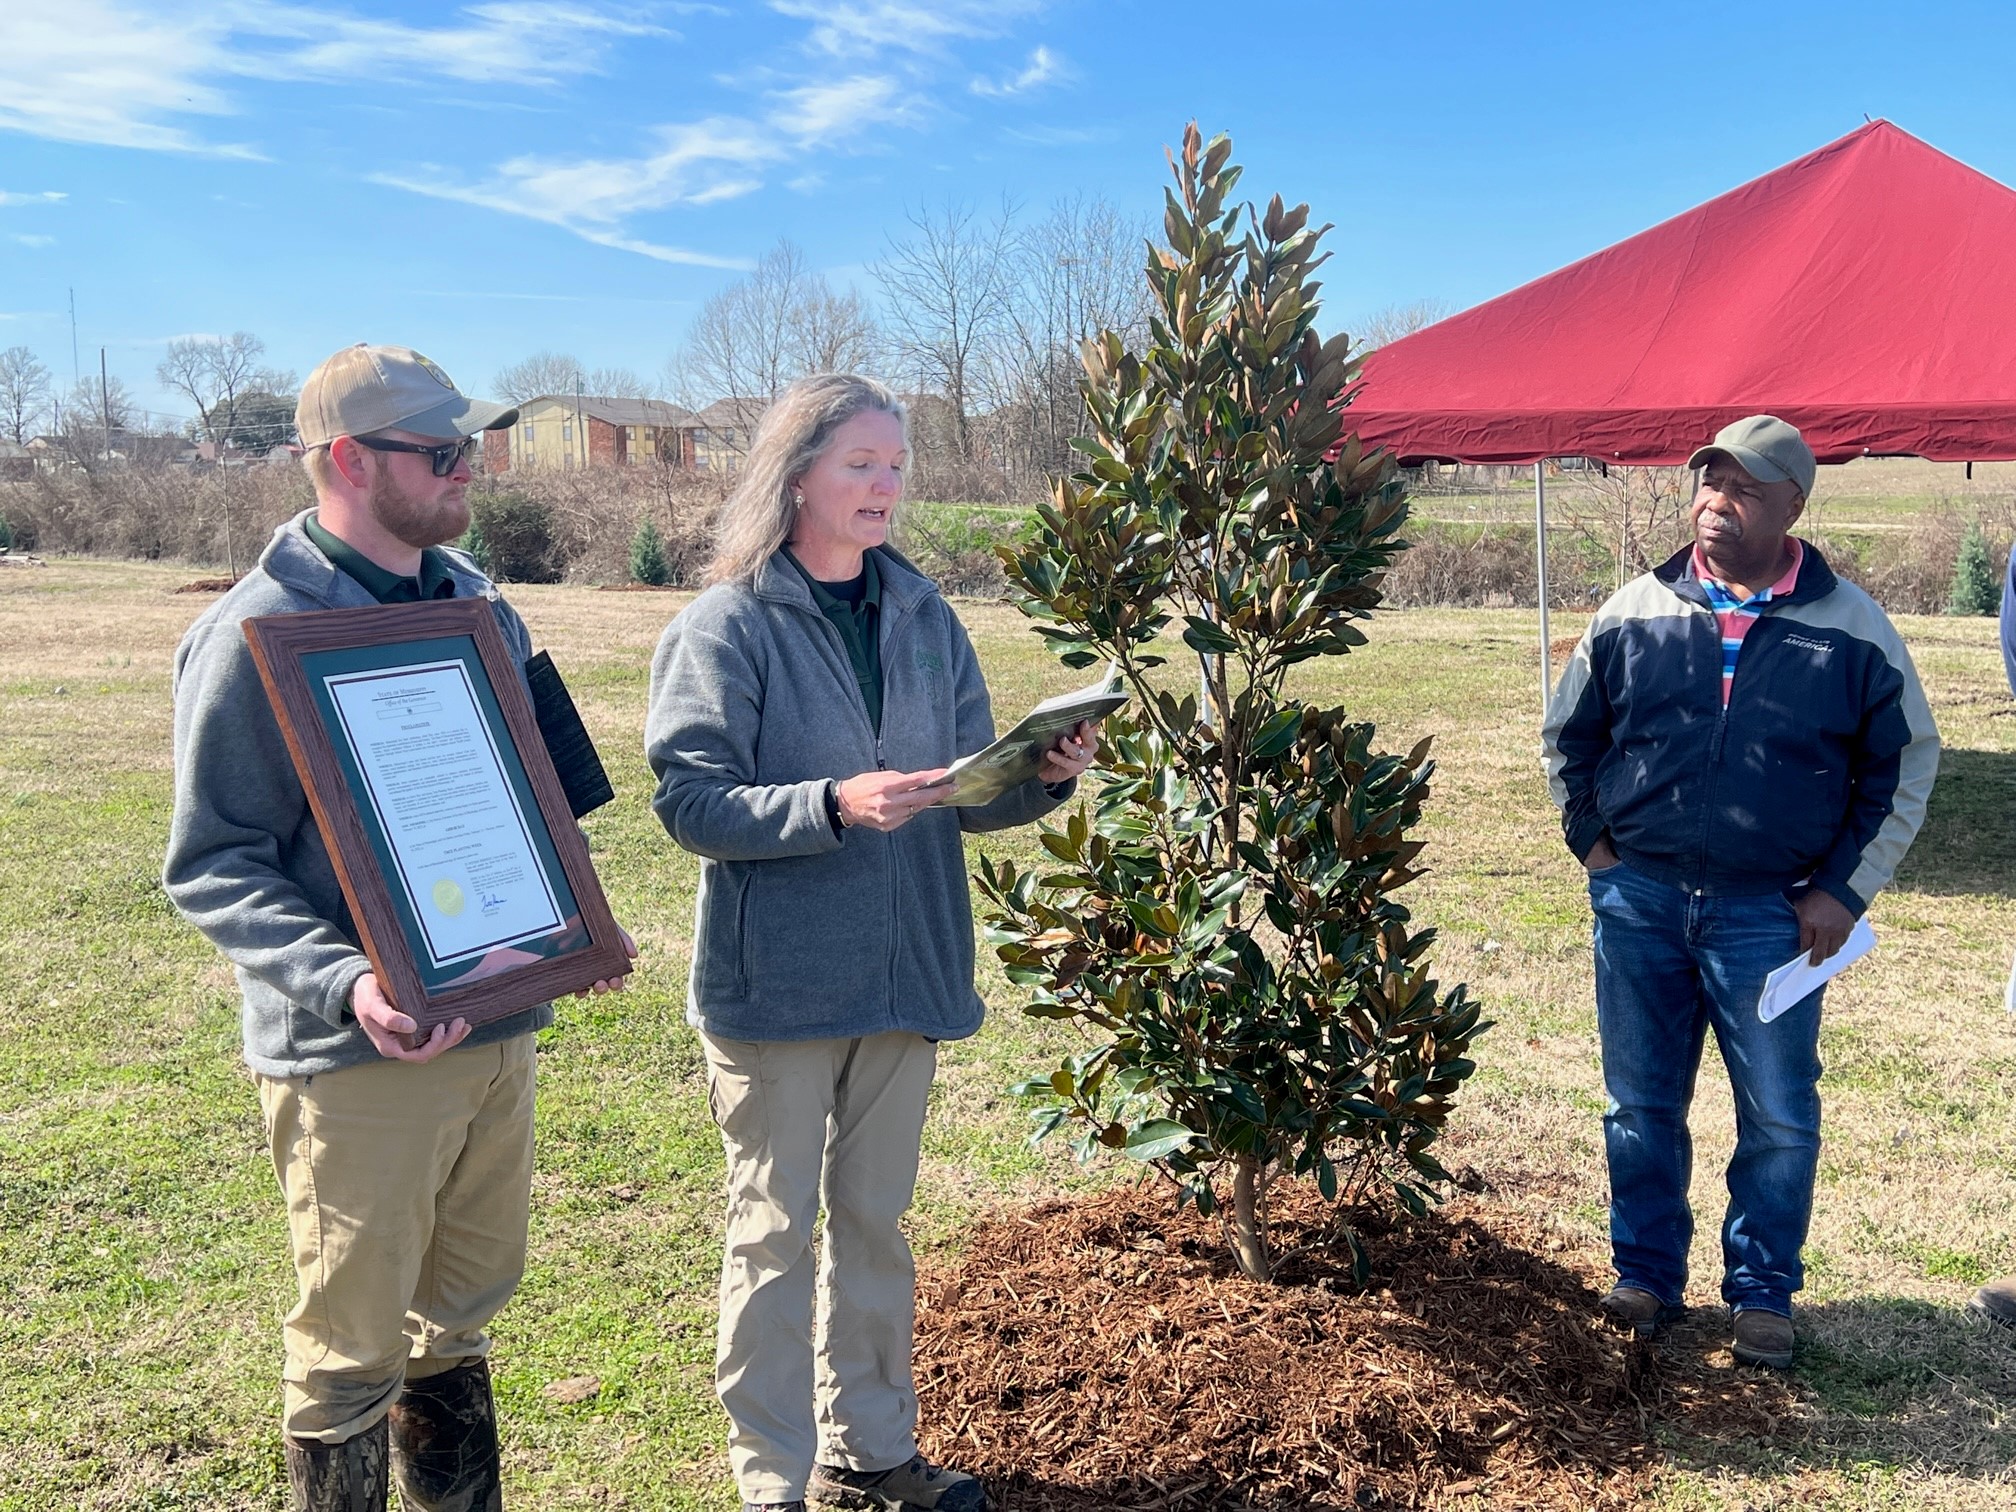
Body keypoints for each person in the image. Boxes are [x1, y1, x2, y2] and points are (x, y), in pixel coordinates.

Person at [163, 344, 632, 1512]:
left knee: (460, 1314)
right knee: (351, 1350)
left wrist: (572, 922)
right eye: (438, 450)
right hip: (358, 1052)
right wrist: (344, 982)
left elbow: (547, 792)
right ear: (344, 463)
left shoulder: (482, 605)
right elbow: (212, 861)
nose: (467, 467)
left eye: (468, 444)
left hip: (493, 1022)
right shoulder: (252, 633)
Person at [645, 374, 1099, 1512]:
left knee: (874, 1226)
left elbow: (966, 791)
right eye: (861, 463)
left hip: (909, 973)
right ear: (795, 475)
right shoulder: (726, 625)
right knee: (773, 1233)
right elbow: (689, 805)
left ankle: (874, 1449)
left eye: (896, 464)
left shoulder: (924, 615)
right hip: (781, 988)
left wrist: (1039, 778)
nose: (886, 484)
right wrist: (832, 806)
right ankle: (771, 1482)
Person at [1543, 415, 1938, 1369]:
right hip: (1639, 900)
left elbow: (1907, 762)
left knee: (1778, 1112)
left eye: (1745, 491)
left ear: (1794, 506)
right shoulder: (1633, 607)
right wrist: (1596, 848)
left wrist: (1844, 890)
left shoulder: (1851, 627)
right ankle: (1645, 1276)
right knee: (1640, 1103)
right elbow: (1570, 738)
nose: (1716, 504)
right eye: (1709, 485)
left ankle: (1762, 1292)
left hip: (1772, 914)